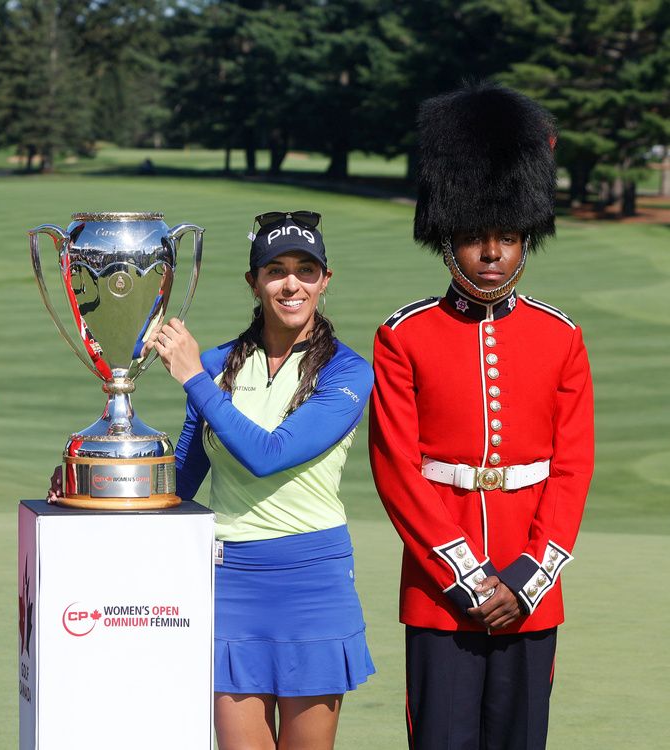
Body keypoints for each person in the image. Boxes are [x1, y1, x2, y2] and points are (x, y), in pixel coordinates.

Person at [368, 82, 593, 750]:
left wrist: (527, 578)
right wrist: (465, 577)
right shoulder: (404, 336)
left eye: (506, 236)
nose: (492, 253)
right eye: (473, 238)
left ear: (527, 238)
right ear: (446, 240)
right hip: (441, 594)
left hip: (531, 589)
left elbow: (573, 468)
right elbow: (398, 471)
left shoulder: (562, 338)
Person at [145, 211, 375, 750]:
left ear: (324, 280)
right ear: (254, 282)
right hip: (230, 582)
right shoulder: (220, 363)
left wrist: (194, 379)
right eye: (275, 269)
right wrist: (108, 492)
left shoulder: (346, 371)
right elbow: (183, 477)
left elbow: (268, 456)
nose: (291, 283)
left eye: (306, 269)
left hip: (313, 581)